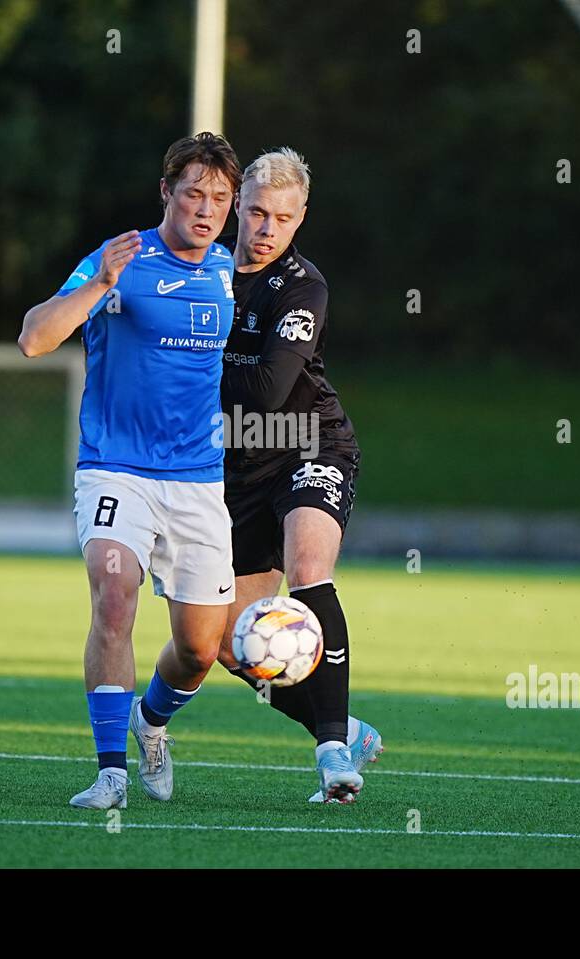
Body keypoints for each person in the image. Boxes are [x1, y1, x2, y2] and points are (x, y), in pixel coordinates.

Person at [18, 134, 242, 810]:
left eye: (220, 200)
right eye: (193, 194)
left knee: (201, 649)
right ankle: (110, 771)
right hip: (116, 468)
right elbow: (34, 337)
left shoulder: (232, 268)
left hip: (199, 480)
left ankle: (151, 722)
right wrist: (99, 284)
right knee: (114, 593)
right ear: (166, 193)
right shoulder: (119, 258)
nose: (206, 210)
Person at [217, 148, 382, 804]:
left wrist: (183, 355)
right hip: (236, 472)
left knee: (308, 568)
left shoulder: (301, 284)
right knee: (230, 644)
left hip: (311, 446)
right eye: (256, 211)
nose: (266, 228)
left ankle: (332, 753)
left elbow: (268, 385)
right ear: (235, 205)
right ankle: (342, 726)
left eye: (283, 218)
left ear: (300, 218)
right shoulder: (199, 271)